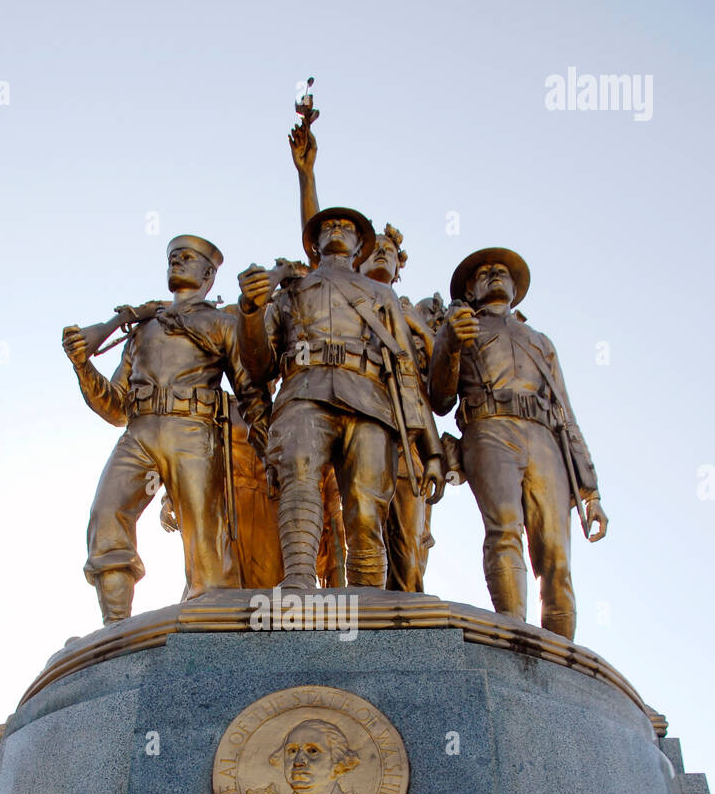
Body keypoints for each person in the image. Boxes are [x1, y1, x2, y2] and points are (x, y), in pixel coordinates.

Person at [62, 235, 269, 622]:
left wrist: (268, 445)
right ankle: (115, 627)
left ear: (208, 274)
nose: (176, 262)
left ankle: (215, 627)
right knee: (107, 513)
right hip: (139, 434)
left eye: (186, 257)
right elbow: (115, 407)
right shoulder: (143, 330)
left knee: (206, 542)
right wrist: (82, 366)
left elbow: (249, 391)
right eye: (173, 256)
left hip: (193, 433)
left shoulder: (224, 324)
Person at [237, 208, 445, 589]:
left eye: (346, 227)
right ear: (314, 245)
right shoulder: (290, 292)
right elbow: (259, 366)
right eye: (328, 226)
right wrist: (250, 311)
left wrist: (431, 450)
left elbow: (406, 371)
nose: (336, 230)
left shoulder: (383, 295)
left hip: (369, 403)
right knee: (299, 476)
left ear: (359, 244)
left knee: (366, 506)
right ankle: (298, 580)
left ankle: (368, 597)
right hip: (303, 393)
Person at [428, 248, 608, 639]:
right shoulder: (460, 327)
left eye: (501, 272)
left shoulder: (540, 341)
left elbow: (567, 414)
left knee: (556, 553)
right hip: (488, 427)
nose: (495, 276)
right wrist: (449, 344)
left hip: (544, 437)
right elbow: (440, 400)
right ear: (470, 290)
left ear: (514, 287)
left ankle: (560, 651)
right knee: (504, 530)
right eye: (484, 273)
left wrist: (589, 489)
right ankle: (513, 632)